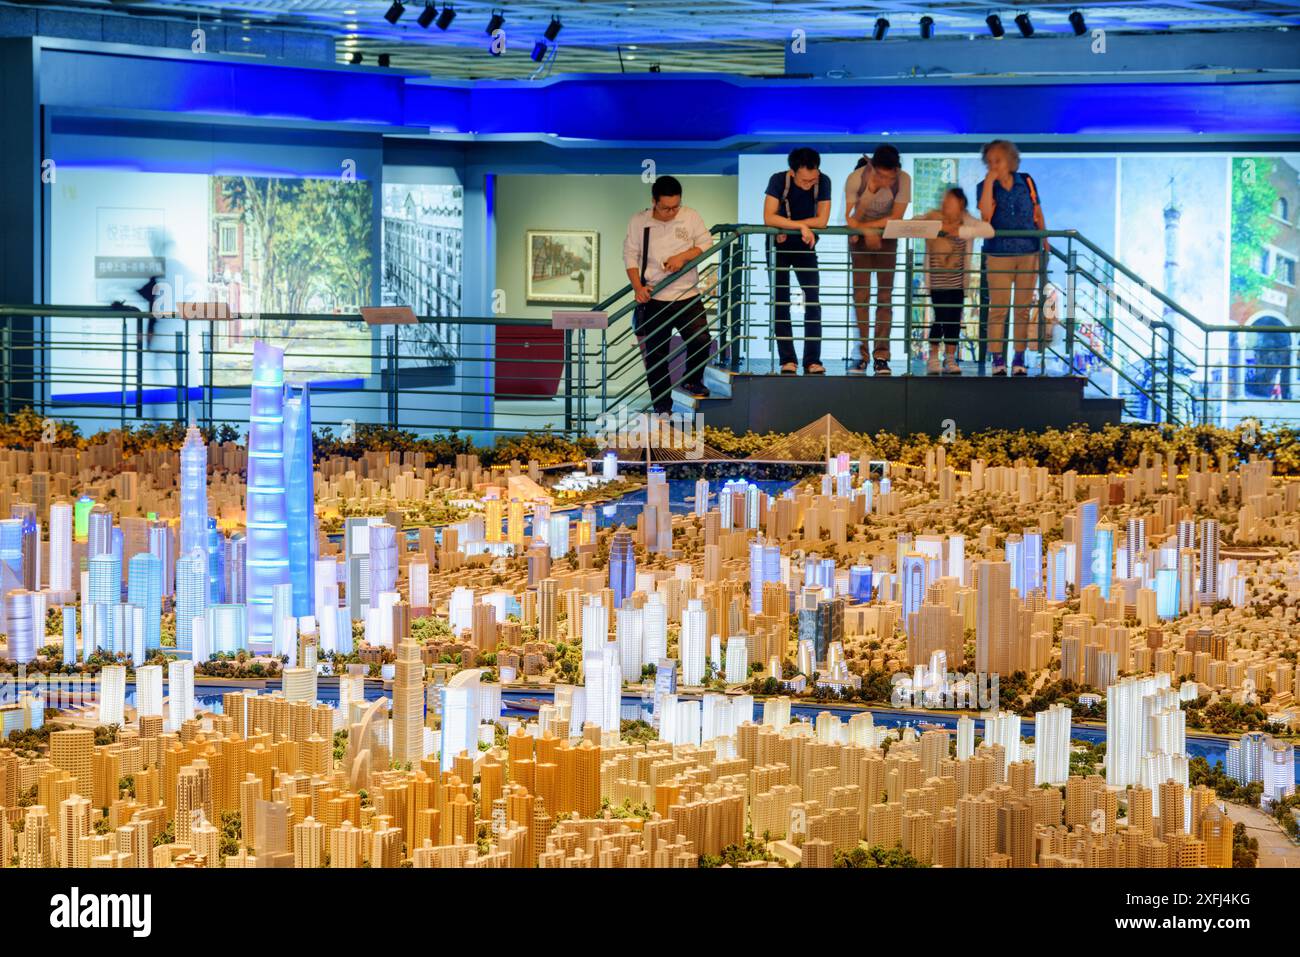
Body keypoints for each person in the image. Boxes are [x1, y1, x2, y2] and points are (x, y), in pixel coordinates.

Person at [624, 175, 714, 414]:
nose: (671, 212)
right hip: (654, 298)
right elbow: (630, 256)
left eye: (675, 206)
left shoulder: (690, 216)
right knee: (656, 358)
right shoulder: (638, 221)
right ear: (654, 201)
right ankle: (663, 408)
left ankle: (692, 378)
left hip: (688, 294)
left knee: (702, 340)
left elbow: (706, 243)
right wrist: (637, 288)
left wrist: (683, 256)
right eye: (665, 208)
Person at [977, 139, 1048, 376]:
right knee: (998, 308)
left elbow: (1037, 212)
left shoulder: (1026, 181)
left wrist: (1045, 241)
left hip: (1029, 251)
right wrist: (989, 183)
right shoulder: (984, 185)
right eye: (989, 162)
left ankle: (1019, 356)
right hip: (998, 252)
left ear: (1010, 160)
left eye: (998, 160)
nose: (994, 165)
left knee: (1022, 308)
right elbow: (986, 216)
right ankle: (997, 358)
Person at [909, 187, 993, 375]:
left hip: (957, 282)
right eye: (945, 200)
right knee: (940, 316)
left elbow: (988, 230)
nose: (945, 203)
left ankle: (950, 359)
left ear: (960, 203)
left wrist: (960, 230)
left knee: (954, 319)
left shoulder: (966, 219)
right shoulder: (933, 216)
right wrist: (937, 227)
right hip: (937, 281)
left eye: (950, 200)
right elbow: (913, 223)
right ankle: (933, 357)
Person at [763, 147, 831, 375]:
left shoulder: (824, 181)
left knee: (812, 299)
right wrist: (801, 226)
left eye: (813, 179)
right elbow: (768, 216)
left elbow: (822, 221)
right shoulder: (778, 180)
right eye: (804, 181)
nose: (808, 184)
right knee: (781, 301)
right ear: (792, 172)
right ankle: (787, 360)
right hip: (779, 244)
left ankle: (812, 360)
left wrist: (789, 224)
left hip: (806, 244)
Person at [844, 145, 911, 375]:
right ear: (872, 167)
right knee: (861, 296)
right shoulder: (855, 179)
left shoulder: (903, 180)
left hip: (888, 239)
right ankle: (861, 354)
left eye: (889, 175)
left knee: (885, 297)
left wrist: (867, 229)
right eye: (880, 174)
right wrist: (869, 193)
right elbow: (847, 219)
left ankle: (881, 356)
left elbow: (896, 217)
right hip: (859, 242)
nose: (886, 179)